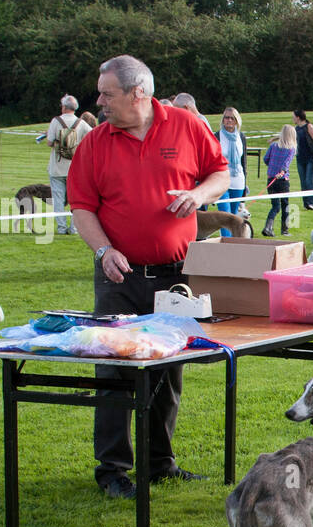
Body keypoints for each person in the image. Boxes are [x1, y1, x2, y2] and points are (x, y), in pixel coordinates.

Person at [67, 54, 230, 499]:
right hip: (117, 277)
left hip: (176, 277)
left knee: (168, 369)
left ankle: (160, 463)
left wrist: (198, 194)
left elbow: (221, 173)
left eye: (106, 93)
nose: (98, 101)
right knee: (114, 369)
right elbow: (81, 206)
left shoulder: (186, 125)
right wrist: (103, 250)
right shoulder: (96, 142)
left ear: (138, 93)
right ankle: (113, 471)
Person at [46, 95, 91, 237]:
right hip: (75, 168)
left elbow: (49, 142)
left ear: (64, 107)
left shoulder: (56, 121)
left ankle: (61, 228)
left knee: (58, 199)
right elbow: (92, 137)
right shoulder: (81, 123)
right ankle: (74, 228)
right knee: (75, 200)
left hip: (57, 167)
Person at [262, 125, 297, 238]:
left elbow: (265, 159)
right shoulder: (291, 149)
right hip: (282, 180)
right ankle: (284, 230)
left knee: (275, 206)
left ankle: (268, 227)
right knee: (285, 205)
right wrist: (282, 171)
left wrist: (272, 167)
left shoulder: (273, 146)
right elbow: (286, 163)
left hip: (270, 179)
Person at [216, 106, 247, 231]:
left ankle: (233, 243)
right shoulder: (216, 136)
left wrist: (245, 190)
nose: (228, 120)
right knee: (225, 216)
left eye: (232, 118)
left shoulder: (241, 137)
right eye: (226, 118)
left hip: (238, 180)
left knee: (234, 217)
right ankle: (225, 244)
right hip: (222, 180)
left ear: (236, 120)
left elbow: (243, 162)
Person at [292, 110, 313, 209]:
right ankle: (306, 204)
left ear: (298, 117)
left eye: (294, 116)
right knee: (303, 182)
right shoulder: (296, 129)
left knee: (309, 180)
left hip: (311, 158)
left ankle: (311, 202)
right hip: (300, 159)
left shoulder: (309, 127)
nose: (293, 119)